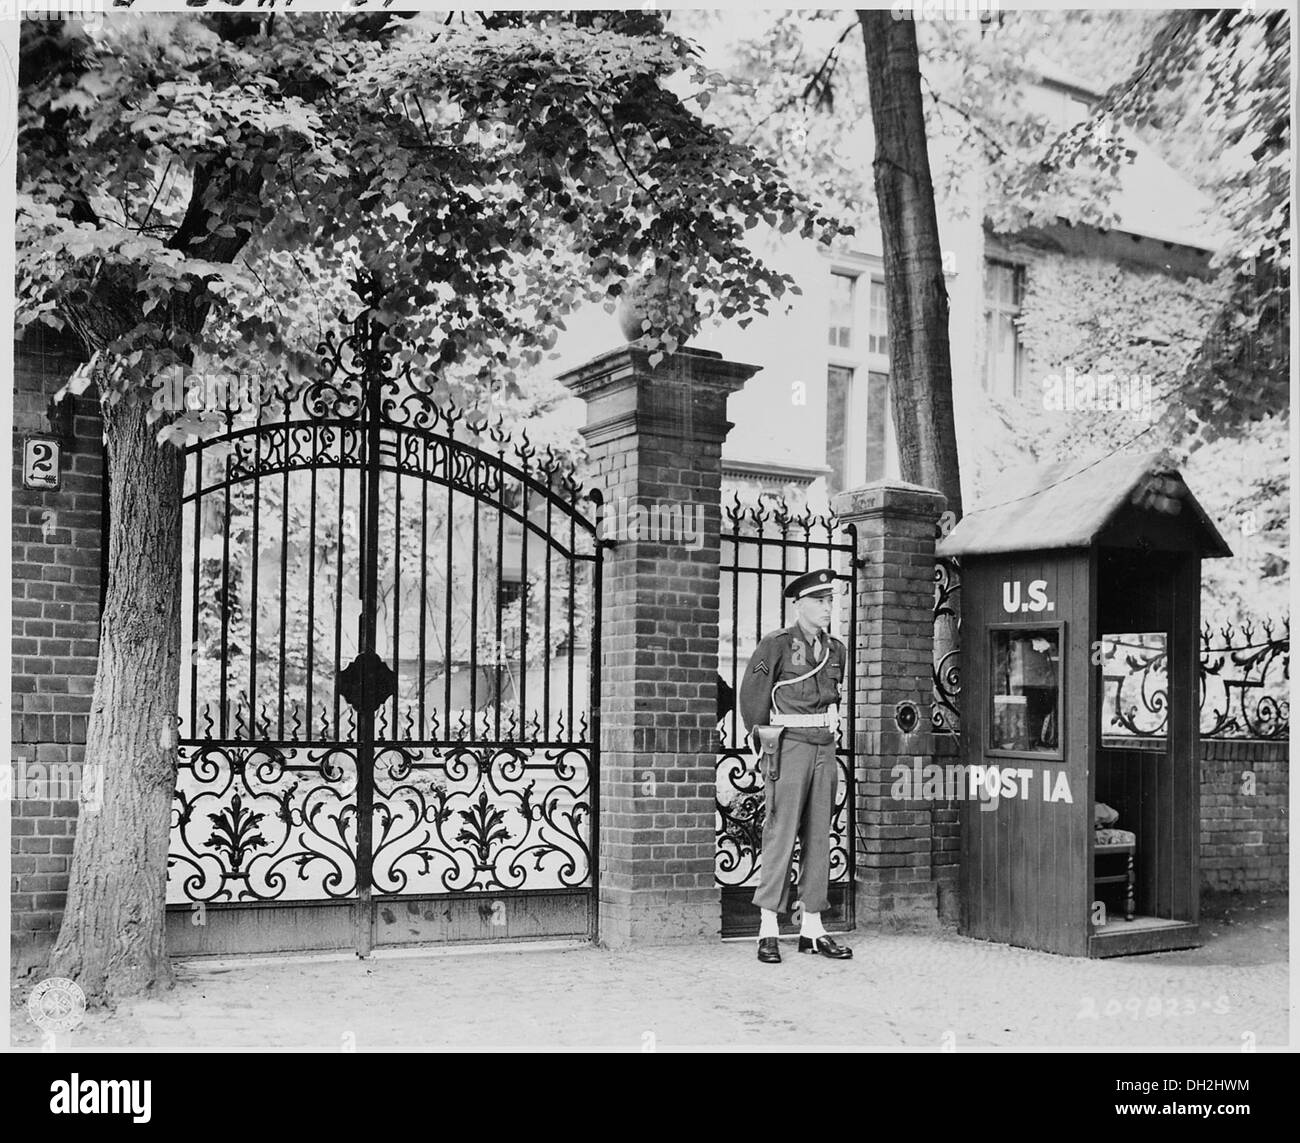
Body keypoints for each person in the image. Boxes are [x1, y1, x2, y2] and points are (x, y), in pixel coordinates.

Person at [738, 568, 853, 964]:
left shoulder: (836, 650)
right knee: (782, 833)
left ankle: (813, 928)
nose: (827, 608)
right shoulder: (777, 645)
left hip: (824, 746)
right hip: (789, 747)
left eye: (831, 601)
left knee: (820, 836)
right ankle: (768, 927)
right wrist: (762, 742)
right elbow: (753, 696)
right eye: (819, 601)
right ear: (799, 604)